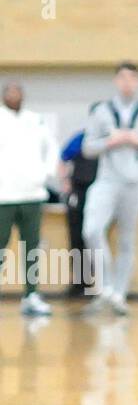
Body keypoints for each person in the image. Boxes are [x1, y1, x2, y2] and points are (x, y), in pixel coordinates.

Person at [82, 63, 138, 315]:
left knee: (127, 239)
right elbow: (88, 148)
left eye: (132, 78)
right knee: (92, 230)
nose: (127, 83)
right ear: (116, 81)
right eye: (123, 78)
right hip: (107, 180)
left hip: (135, 182)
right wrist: (111, 141)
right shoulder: (102, 111)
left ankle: (119, 294)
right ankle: (106, 287)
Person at [0, 80, 58, 318]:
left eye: (18, 91)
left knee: (31, 247)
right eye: (10, 92)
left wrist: (46, 174)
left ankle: (31, 295)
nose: (14, 95)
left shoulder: (36, 120)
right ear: (4, 96)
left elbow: (52, 147)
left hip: (32, 195)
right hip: (4, 196)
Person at [59, 111, 102, 299]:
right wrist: (65, 182)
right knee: (77, 237)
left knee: (95, 237)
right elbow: (63, 158)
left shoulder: (108, 141)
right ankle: (79, 281)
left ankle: (100, 282)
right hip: (79, 191)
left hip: (100, 194)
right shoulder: (80, 138)